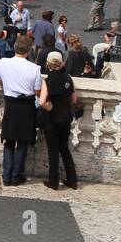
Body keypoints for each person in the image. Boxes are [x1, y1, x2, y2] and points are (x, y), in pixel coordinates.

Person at [0, 36, 43, 186]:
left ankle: (6, 175)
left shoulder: (3, 63)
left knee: (9, 141)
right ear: (28, 51)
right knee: (22, 142)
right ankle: (16, 176)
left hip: (11, 105)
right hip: (27, 107)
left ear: (15, 47)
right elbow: (38, 91)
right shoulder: (35, 69)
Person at [39, 51, 80, 190]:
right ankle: (72, 179)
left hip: (52, 119)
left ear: (48, 64)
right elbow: (74, 100)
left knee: (53, 151)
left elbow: (42, 102)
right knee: (64, 149)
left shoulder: (48, 81)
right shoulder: (68, 78)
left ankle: (53, 181)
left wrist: (50, 108)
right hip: (66, 117)